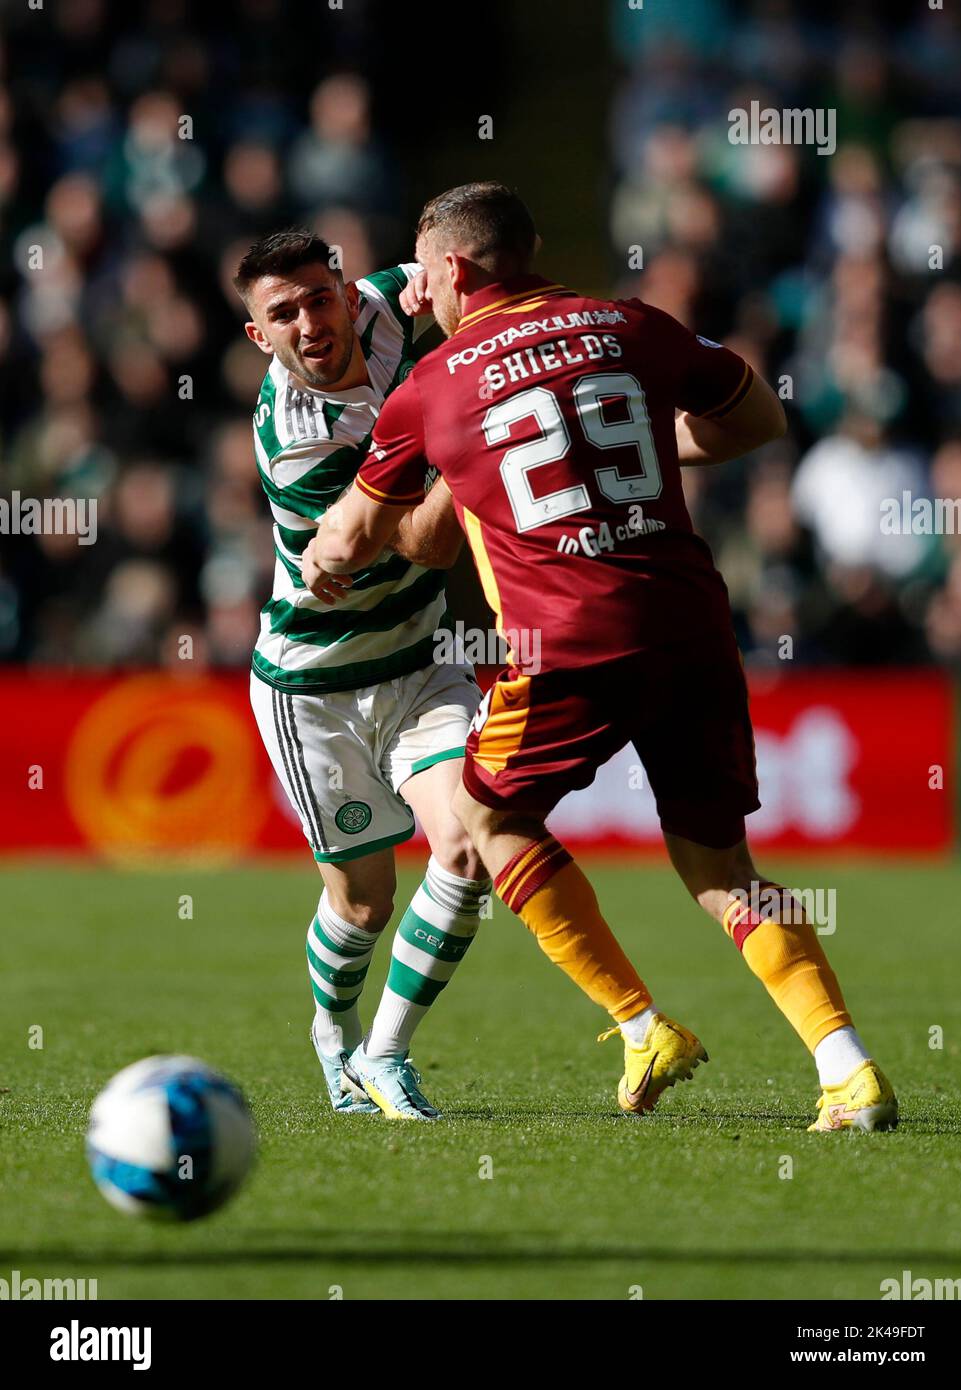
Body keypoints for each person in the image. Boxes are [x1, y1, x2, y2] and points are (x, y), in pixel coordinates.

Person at [303, 183, 898, 1132]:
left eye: (425, 275)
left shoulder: (435, 382)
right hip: (688, 625)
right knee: (722, 871)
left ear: (453, 269)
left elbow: (360, 541)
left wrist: (331, 553)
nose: (421, 295)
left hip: (564, 642)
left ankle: (640, 1021)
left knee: (487, 820)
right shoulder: (632, 325)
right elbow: (755, 424)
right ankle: (847, 1069)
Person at [234, 228, 490, 1122]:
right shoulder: (292, 442)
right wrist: (478, 434)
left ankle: (385, 1056)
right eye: (282, 313)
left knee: (469, 845)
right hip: (315, 690)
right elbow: (420, 535)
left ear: (344, 291)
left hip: (418, 664)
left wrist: (440, 293)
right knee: (362, 904)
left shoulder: (379, 302)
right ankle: (331, 1033)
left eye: (317, 297)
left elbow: (440, 273)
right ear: (255, 337)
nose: (308, 321)